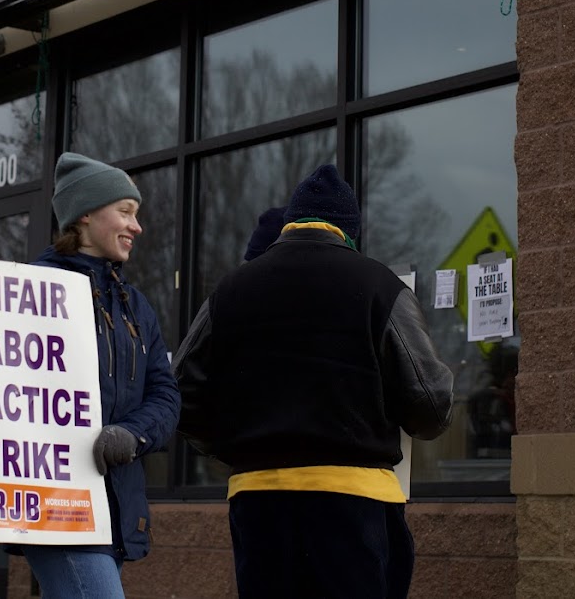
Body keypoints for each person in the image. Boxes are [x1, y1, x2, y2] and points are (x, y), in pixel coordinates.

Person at [173, 164, 453, 599]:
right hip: (353, 499)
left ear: (290, 225)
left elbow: (182, 391)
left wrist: (232, 445)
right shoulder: (381, 286)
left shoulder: (229, 291)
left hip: (257, 497)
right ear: (349, 232)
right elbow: (430, 403)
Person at [0, 152, 180, 599]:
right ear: (86, 215)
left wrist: (134, 434)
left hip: (113, 503)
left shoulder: (136, 306)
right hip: (51, 502)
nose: (138, 227)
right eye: (126, 212)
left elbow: (165, 395)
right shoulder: (24, 291)